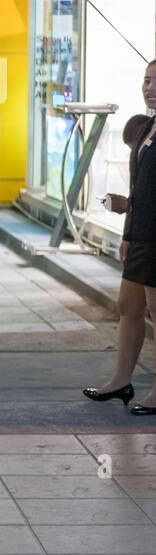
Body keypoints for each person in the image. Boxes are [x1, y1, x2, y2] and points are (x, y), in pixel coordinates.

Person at [85, 61, 156, 415]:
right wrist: (128, 223)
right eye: (146, 80)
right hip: (141, 234)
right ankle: (121, 380)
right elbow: (142, 187)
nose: (149, 87)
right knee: (129, 308)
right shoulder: (147, 127)